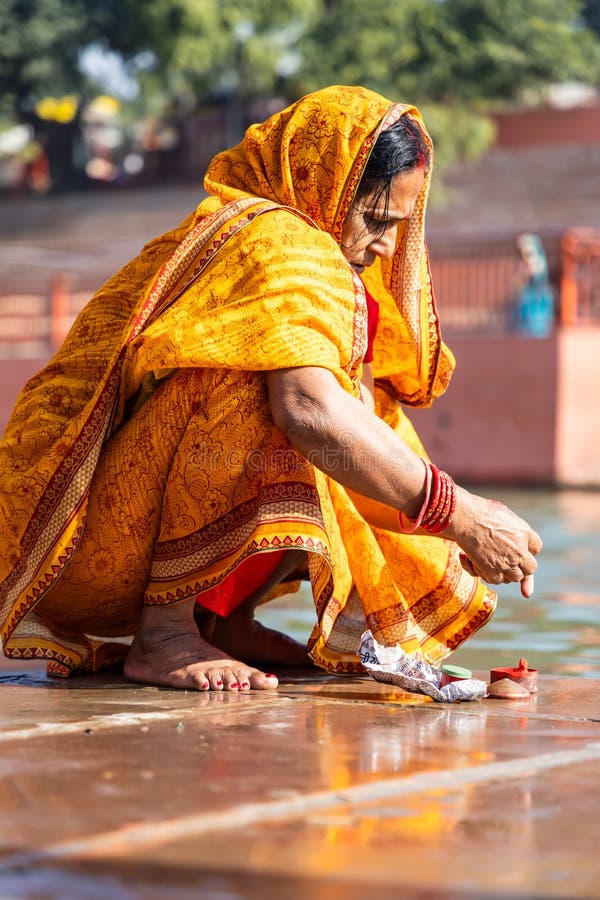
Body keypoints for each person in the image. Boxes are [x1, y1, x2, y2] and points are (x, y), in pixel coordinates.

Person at [0, 86, 542, 691]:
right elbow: (309, 413)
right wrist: (463, 516)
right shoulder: (275, 240)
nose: (388, 244)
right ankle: (165, 632)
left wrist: (451, 523)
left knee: (359, 419)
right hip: (70, 537)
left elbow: (355, 434)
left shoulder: (307, 252)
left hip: (108, 531)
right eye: (376, 218)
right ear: (324, 186)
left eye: (398, 225)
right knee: (276, 397)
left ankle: (223, 620)